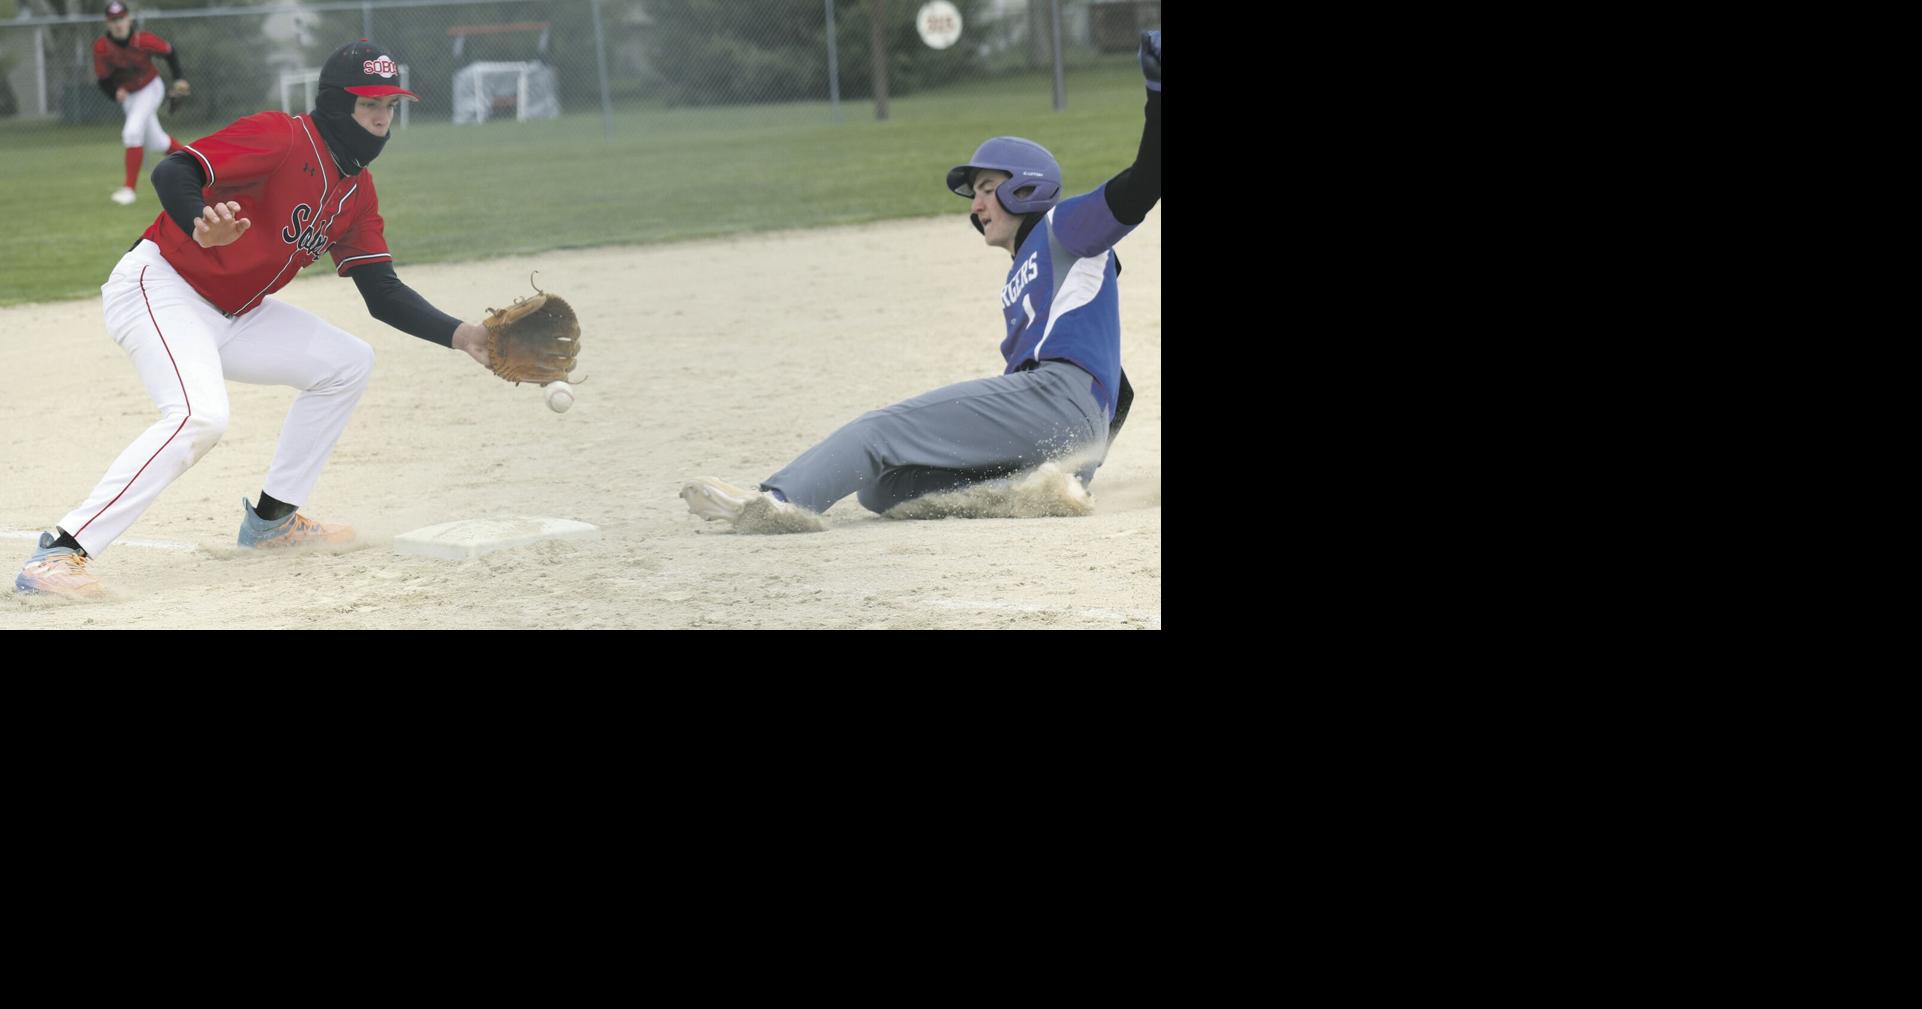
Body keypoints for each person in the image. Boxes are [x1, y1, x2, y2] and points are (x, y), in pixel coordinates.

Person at [15, 40, 496, 599]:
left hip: (236, 313)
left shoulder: (357, 194)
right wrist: (198, 220)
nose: (383, 118)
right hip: (161, 285)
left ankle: (272, 524)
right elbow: (176, 170)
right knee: (200, 417)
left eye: (391, 105)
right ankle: (58, 554)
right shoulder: (283, 136)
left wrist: (463, 336)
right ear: (340, 105)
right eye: (371, 105)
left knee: (347, 363)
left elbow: (382, 292)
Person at [681, 30, 1161, 534]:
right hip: (1064, 432)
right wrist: (1087, 457)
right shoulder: (1030, 270)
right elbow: (1120, 388)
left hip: (1054, 399)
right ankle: (1028, 492)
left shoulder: (1064, 225)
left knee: (879, 431)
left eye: (988, 190)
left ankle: (774, 501)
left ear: (1027, 190)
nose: (975, 207)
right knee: (883, 485)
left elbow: (1145, 181)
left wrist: (1156, 94)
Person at [94, 1, 191, 206]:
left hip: (150, 88)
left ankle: (129, 189)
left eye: (121, 18)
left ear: (128, 18)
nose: (118, 23)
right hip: (130, 96)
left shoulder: (142, 39)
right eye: (113, 20)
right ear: (107, 23)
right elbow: (103, 80)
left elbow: (169, 52)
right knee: (158, 142)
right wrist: (114, 92)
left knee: (131, 132)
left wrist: (179, 79)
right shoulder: (103, 47)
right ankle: (196, 165)